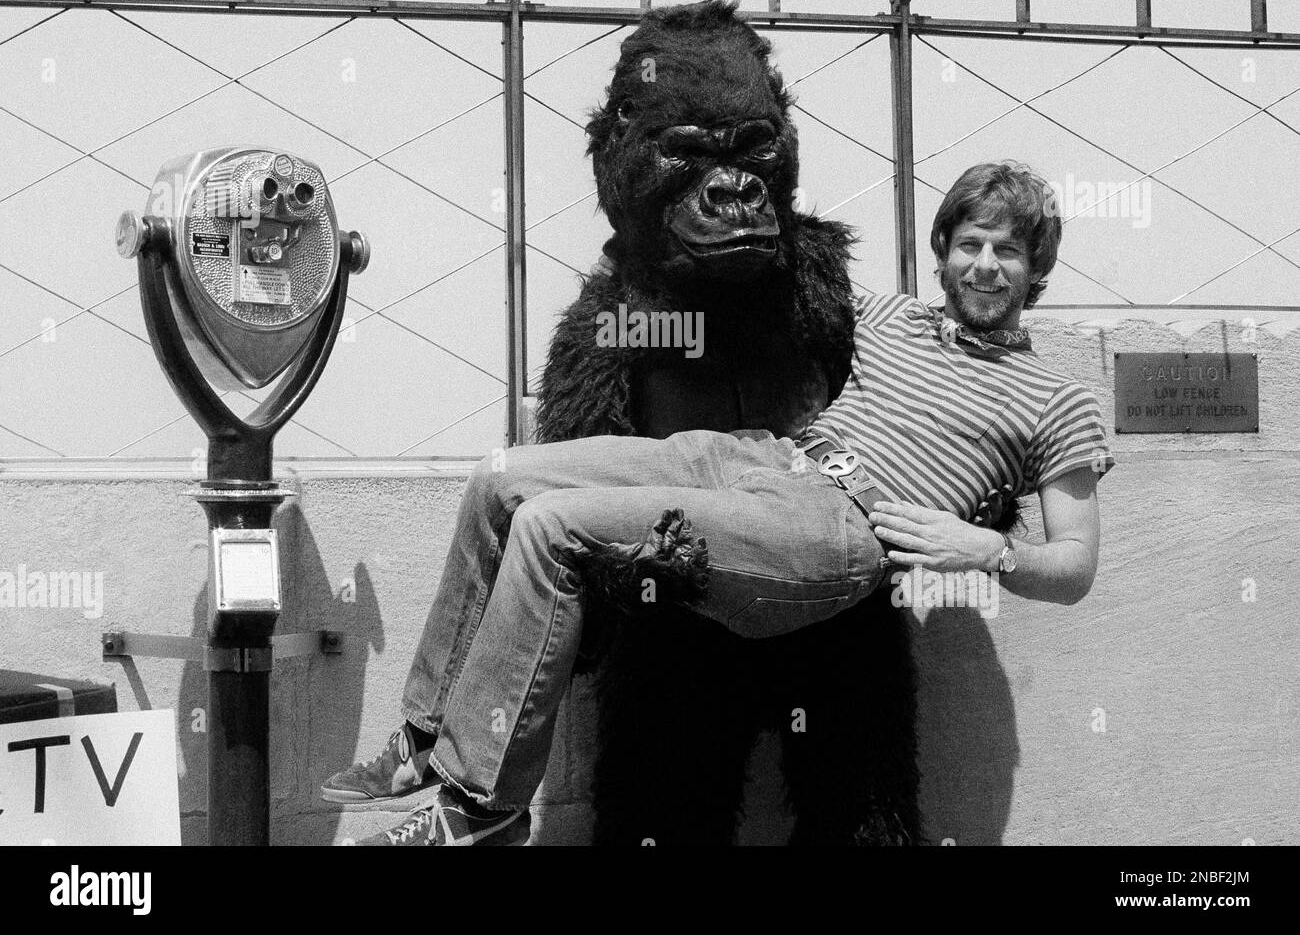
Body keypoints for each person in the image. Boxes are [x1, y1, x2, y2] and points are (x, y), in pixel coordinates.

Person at [321, 160, 1114, 846]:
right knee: (503, 480)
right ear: (941, 254)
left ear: (1035, 270)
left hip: (838, 529)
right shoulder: (889, 318)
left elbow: (1075, 566)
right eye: (970, 245)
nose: (985, 266)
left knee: (553, 529)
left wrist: (987, 550)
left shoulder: (1057, 398)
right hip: (761, 456)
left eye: (1007, 251)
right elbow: (762, 278)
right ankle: (424, 737)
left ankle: (482, 806)